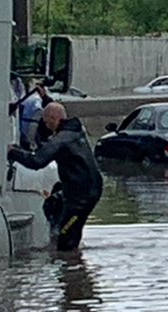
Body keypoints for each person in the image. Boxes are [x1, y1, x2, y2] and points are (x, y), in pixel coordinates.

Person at [10, 101, 104, 251]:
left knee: (65, 238)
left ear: (54, 119)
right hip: (87, 190)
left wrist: (12, 152)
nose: (46, 126)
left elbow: (37, 161)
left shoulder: (62, 140)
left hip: (82, 198)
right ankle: (74, 263)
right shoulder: (76, 131)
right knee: (52, 206)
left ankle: (70, 266)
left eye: (47, 122)